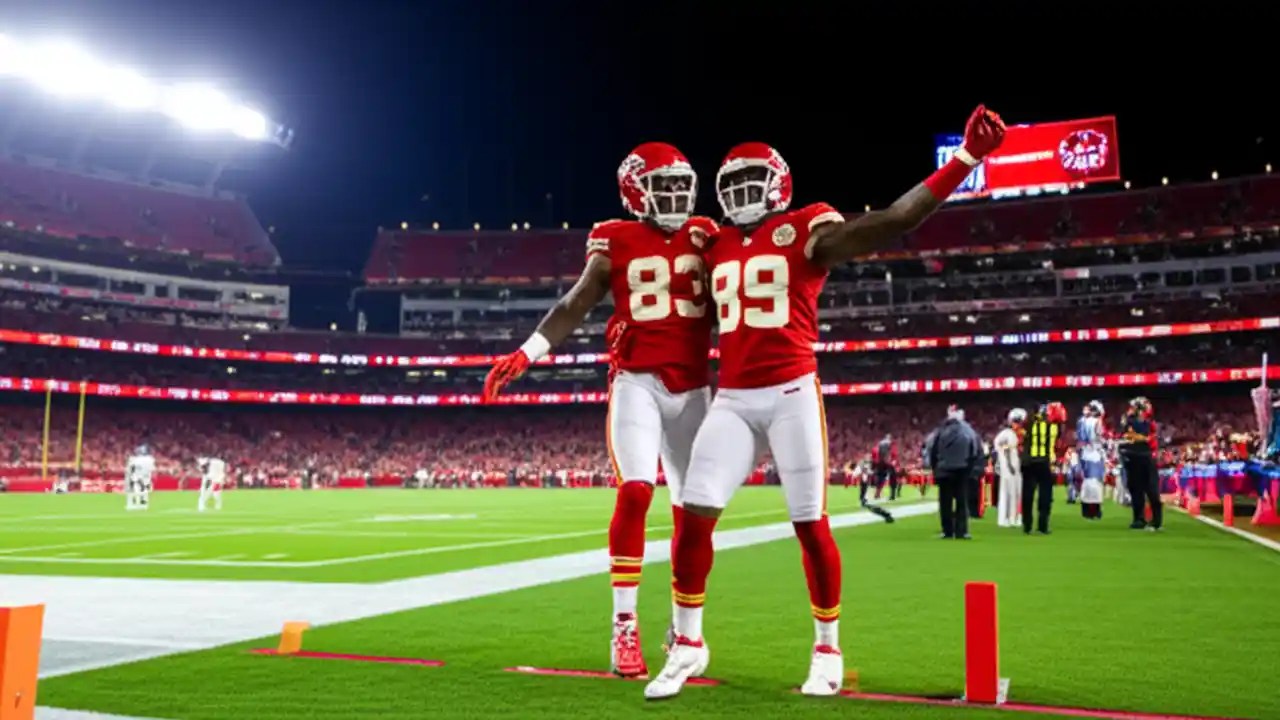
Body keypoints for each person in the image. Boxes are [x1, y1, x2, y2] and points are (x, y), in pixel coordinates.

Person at [644, 105, 1007, 700]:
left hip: (791, 390)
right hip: (732, 398)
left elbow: (893, 220)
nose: (739, 194)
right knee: (693, 513)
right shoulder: (711, 245)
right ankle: (688, 642)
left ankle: (828, 646)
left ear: (780, 182)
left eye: (750, 181)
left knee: (809, 525)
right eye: (730, 184)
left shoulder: (807, 227)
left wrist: (964, 159)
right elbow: (672, 301)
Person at [482, 143, 717, 678]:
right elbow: (578, 301)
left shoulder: (707, 231)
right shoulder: (615, 236)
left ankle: (685, 629)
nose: (677, 197)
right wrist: (528, 352)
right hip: (637, 381)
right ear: (636, 191)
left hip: (695, 389)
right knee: (636, 491)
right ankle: (624, 624)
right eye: (665, 187)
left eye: (683, 186)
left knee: (695, 514)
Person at [926, 405, 982, 539]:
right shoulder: (969, 431)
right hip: (962, 470)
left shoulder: (940, 431)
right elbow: (975, 451)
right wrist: (970, 469)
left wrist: (936, 469)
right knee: (962, 501)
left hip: (944, 470)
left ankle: (947, 530)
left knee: (945, 502)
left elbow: (932, 451)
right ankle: (962, 531)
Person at [1021, 403, 1066, 534]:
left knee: (1027, 495)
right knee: (1045, 495)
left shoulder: (1028, 423)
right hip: (1044, 462)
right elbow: (1056, 444)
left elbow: (1022, 437)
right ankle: (1042, 526)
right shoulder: (1053, 427)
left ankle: (1027, 525)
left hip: (1028, 462)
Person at [1119, 397, 1161, 530]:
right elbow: (1129, 435)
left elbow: (1146, 438)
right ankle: (1139, 518)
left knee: (1151, 489)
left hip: (1145, 457)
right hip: (1135, 456)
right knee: (1136, 489)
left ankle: (1155, 519)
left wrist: (1141, 438)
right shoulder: (1130, 421)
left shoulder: (1149, 423)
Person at [994, 408, 1025, 528]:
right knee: (1006, 492)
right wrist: (1007, 463)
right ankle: (1004, 518)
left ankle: (1015, 517)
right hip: (1007, 468)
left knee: (1017, 493)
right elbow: (1000, 447)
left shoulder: (1021, 434)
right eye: (1016, 421)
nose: (1018, 424)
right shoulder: (1006, 433)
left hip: (1018, 467)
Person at [1077, 401, 1107, 520]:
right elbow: (1098, 436)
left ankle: (1085, 510)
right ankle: (1095, 510)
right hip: (1094, 453)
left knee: (1086, 482)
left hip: (1084, 453)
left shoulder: (1081, 421)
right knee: (1095, 483)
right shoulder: (1097, 422)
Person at [867, 433, 896, 503]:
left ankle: (877, 493)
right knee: (891, 478)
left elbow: (875, 456)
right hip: (887, 462)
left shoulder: (879, 445)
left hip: (880, 463)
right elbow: (892, 454)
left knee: (880, 478)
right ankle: (892, 494)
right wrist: (891, 461)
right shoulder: (890, 444)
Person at [125, 444, 154, 511]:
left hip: (136, 476)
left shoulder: (134, 459)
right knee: (144, 490)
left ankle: (133, 504)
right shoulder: (150, 459)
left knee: (134, 490)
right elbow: (151, 469)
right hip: (146, 476)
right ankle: (143, 504)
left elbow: (131, 468)